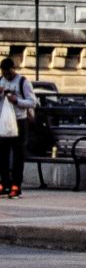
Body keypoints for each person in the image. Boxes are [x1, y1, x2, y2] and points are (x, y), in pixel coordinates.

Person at [0, 57, 34, 198]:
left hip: (19, 121)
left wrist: (16, 100)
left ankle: (16, 185)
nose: (7, 76)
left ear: (14, 69)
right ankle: (5, 184)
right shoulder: (1, 80)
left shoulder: (23, 82)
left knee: (18, 155)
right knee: (2, 154)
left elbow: (32, 102)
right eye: (4, 73)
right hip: (4, 121)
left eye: (9, 73)